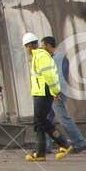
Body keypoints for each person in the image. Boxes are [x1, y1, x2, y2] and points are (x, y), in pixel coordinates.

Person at [23, 32, 67, 161]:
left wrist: (55, 91)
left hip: (44, 93)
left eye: (26, 46)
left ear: (30, 45)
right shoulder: (38, 56)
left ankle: (63, 143)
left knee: (41, 121)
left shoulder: (41, 56)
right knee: (40, 122)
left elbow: (49, 76)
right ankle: (40, 153)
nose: (26, 49)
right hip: (40, 93)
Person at [42, 35, 86, 152]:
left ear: (48, 45)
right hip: (50, 94)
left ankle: (79, 143)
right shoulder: (51, 58)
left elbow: (61, 77)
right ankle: (45, 146)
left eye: (43, 45)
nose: (41, 48)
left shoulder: (59, 58)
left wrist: (57, 93)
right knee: (46, 119)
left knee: (64, 119)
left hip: (57, 94)